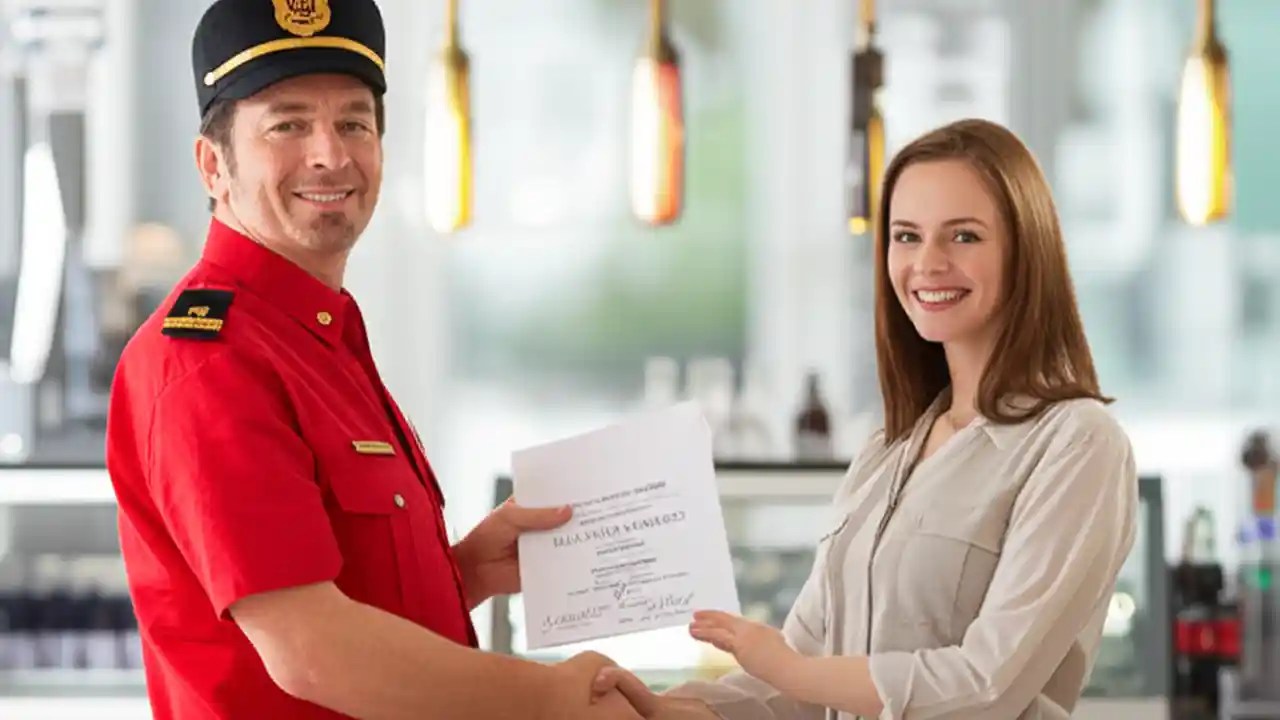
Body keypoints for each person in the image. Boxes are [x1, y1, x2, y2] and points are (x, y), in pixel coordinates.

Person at [104, 1, 641, 718]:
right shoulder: (209, 362)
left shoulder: (319, 339)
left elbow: (329, 595)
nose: (330, 154)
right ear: (213, 164)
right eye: (287, 124)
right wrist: (547, 699)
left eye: (354, 122)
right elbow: (309, 649)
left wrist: (464, 571)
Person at [593, 118, 1139, 719]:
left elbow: (987, 686)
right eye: (906, 236)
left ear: (1025, 251)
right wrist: (661, 709)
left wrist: (793, 668)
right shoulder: (887, 450)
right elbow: (796, 685)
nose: (927, 263)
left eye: (963, 237)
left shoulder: (1078, 442)